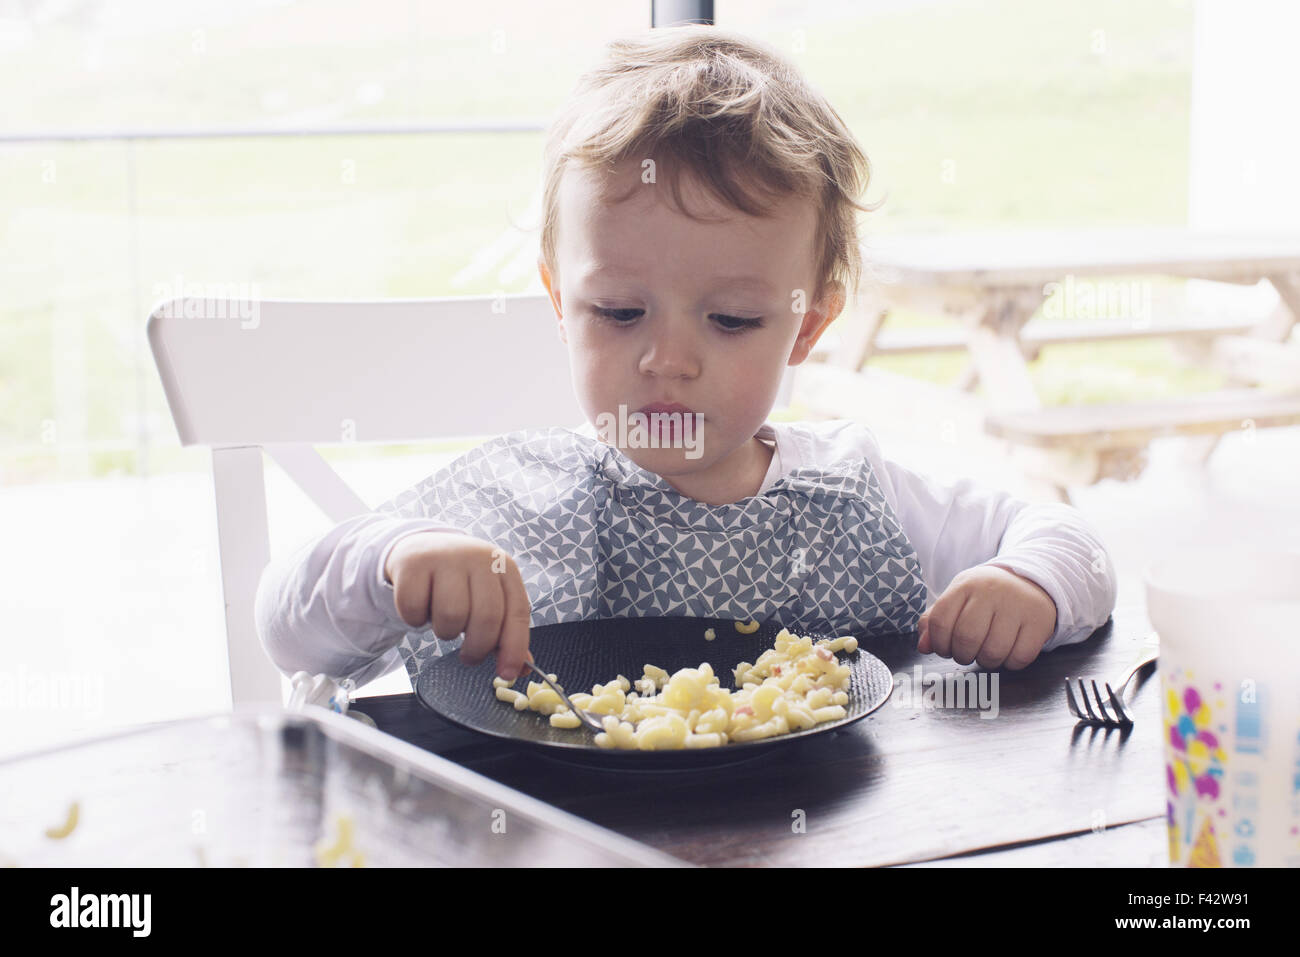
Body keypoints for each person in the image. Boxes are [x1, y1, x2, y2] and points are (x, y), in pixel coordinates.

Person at [255, 25, 1117, 690]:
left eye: (734, 320)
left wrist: (1027, 580)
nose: (668, 360)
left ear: (806, 328)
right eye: (620, 311)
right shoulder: (517, 500)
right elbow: (286, 626)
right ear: (563, 306)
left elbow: (1074, 543)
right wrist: (391, 559)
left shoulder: (854, 495)